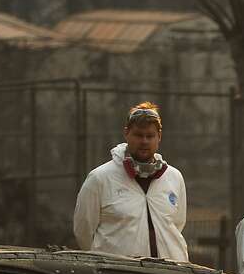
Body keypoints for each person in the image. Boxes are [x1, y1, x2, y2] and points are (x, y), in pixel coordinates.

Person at [73, 102, 189, 262]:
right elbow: (83, 232)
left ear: (159, 136)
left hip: (171, 273)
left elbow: (177, 224)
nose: (144, 141)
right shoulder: (99, 178)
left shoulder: (174, 177)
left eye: (150, 136)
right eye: (138, 135)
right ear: (126, 133)